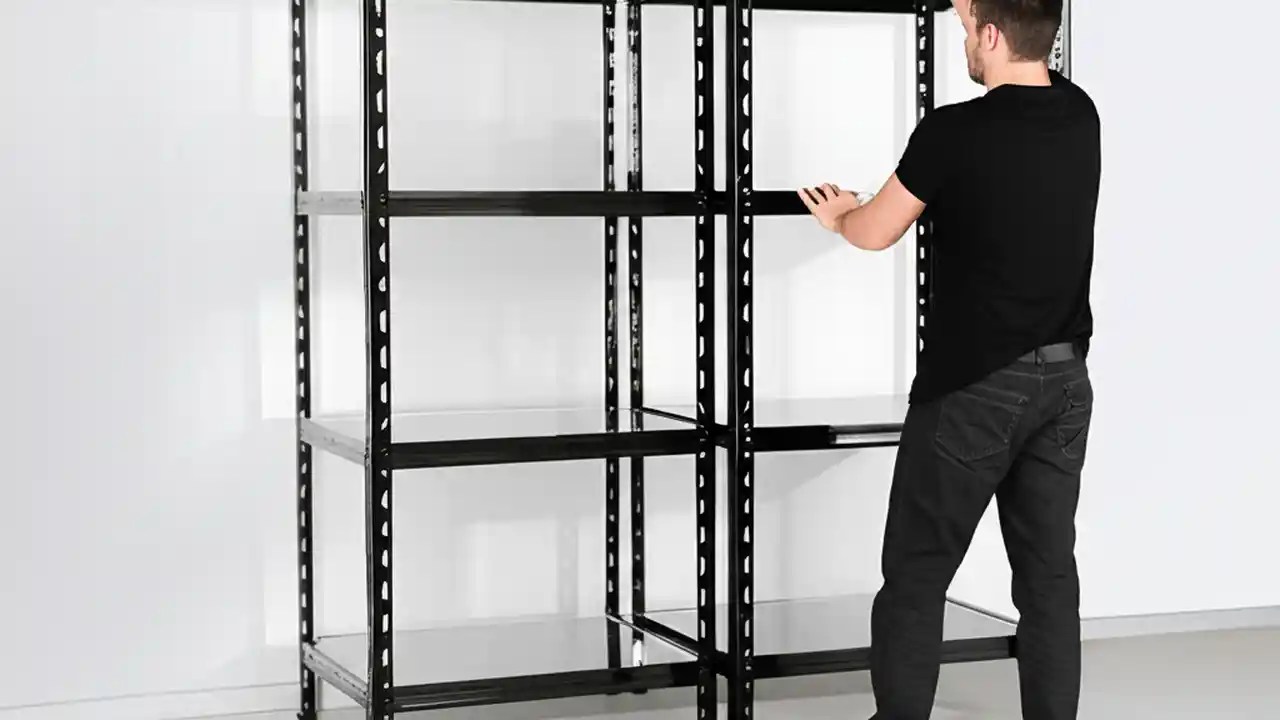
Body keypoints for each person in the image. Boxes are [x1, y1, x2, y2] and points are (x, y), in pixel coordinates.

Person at [797, 0, 1099, 718]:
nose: (963, 40)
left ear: (992, 36)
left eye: (967, 30)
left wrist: (840, 212)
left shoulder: (952, 132)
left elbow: (875, 231)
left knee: (916, 573)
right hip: (1064, 383)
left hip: (975, 389)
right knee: (1049, 577)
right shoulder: (1081, 113)